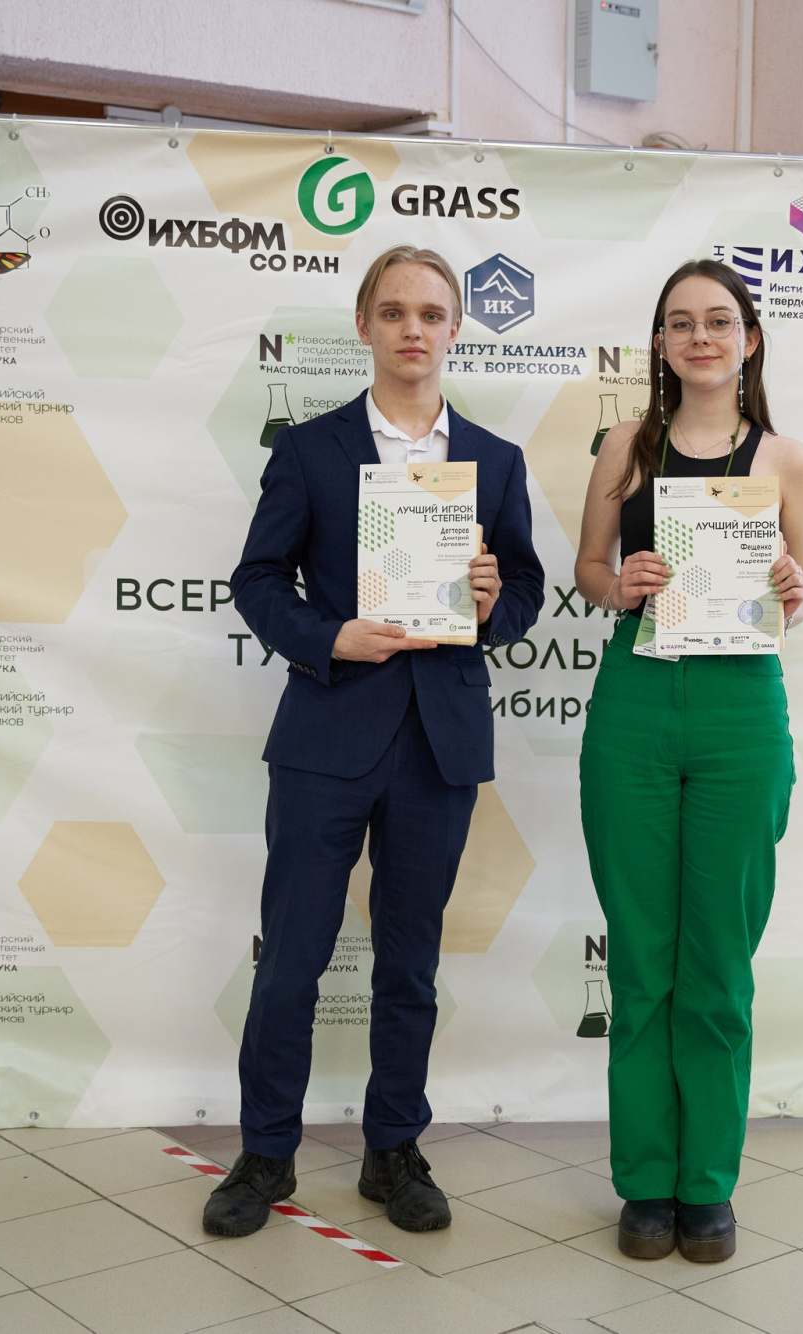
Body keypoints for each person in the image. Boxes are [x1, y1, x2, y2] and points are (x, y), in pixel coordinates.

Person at [208, 246, 544, 1237]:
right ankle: (265, 1152)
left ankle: (392, 1148)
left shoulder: (494, 459)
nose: (413, 328)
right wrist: (329, 637)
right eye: (393, 311)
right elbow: (257, 580)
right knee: (291, 959)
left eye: (431, 313)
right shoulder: (311, 450)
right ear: (364, 326)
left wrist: (488, 604)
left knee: (409, 962)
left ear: (454, 330)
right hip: (326, 732)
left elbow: (523, 590)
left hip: (439, 741)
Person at [573, 259, 803, 1263]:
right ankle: (645, 1182)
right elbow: (588, 571)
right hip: (635, 702)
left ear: (749, 339)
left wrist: (793, 583)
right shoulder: (625, 445)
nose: (700, 338)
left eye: (719, 321)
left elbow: (800, 592)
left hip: (739, 712)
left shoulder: (785, 459)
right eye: (680, 323)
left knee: (717, 965)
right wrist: (619, 581)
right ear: (660, 343)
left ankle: (706, 1184)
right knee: (641, 962)